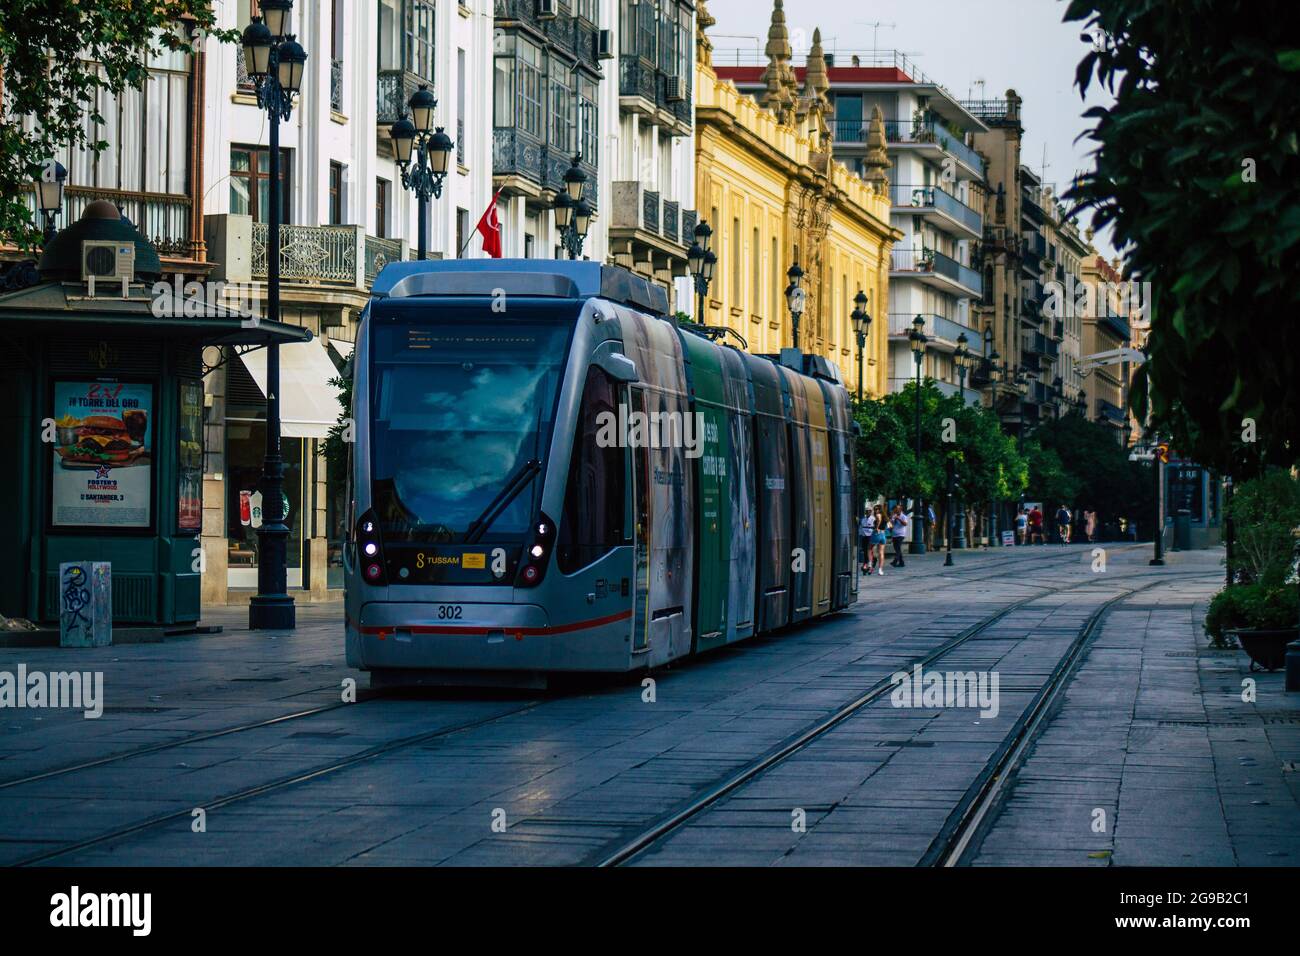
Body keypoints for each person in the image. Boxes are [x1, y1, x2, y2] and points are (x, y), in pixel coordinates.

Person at [890, 503, 910, 567]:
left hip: (900, 534)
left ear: (900, 509)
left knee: (898, 548)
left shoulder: (904, 516)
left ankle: (895, 561)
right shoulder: (894, 516)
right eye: (896, 509)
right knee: (897, 549)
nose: (896, 510)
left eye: (898, 509)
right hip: (894, 534)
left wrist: (898, 518)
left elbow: (905, 524)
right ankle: (901, 563)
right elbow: (891, 525)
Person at [871, 504, 888, 575]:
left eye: (877, 509)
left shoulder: (878, 516)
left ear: (880, 510)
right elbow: (890, 525)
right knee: (881, 552)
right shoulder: (885, 517)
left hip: (877, 534)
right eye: (875, 509)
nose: (876, 511)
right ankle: (880, 570)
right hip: (883, 535)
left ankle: (873, 560)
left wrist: (876, 528)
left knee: (869, 548)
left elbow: (878, 522)